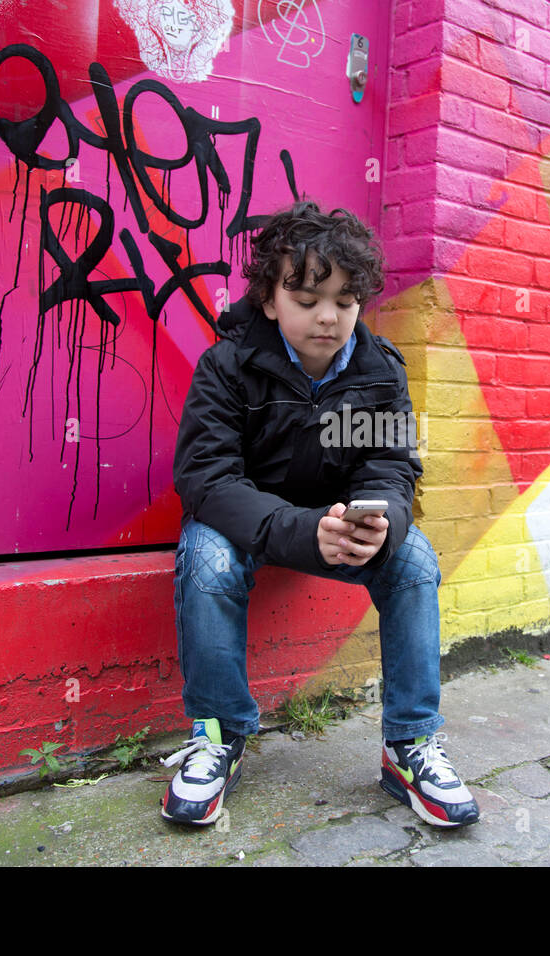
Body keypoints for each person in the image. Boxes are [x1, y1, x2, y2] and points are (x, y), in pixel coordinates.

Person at [163, 199, 480, 828]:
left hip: (334, 521)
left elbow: (392, 465)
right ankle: (217, 735)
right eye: (306, 300)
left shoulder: (378, 369)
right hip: (246, 523)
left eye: (343, 299)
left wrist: (382, 518)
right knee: (205, 557)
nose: (327, 317)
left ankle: (409, 743)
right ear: (269, 298)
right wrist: (303, 532)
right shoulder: (228, 367)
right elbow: (206, 479)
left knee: (413, 557)